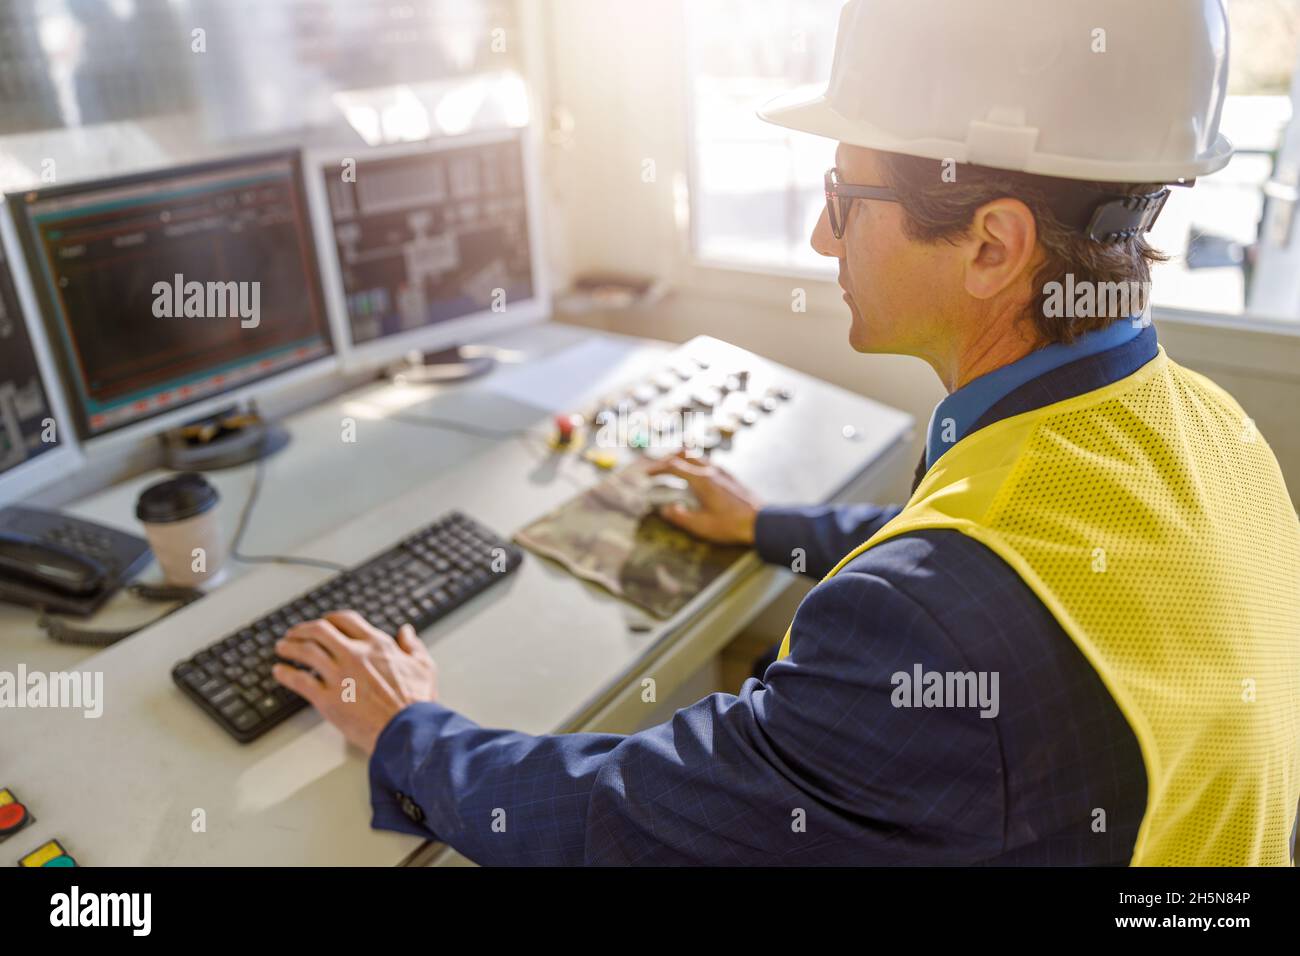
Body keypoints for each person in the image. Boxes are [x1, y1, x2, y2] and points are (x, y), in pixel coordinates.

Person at [273, 0, 1300, 865]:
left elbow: (637, 811)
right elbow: (1010, 557)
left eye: (844, 197)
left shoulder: (924, 628)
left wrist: (409, 730)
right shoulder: (1210, 433)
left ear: (991, 243)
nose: (821, 236)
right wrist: (772, 526)